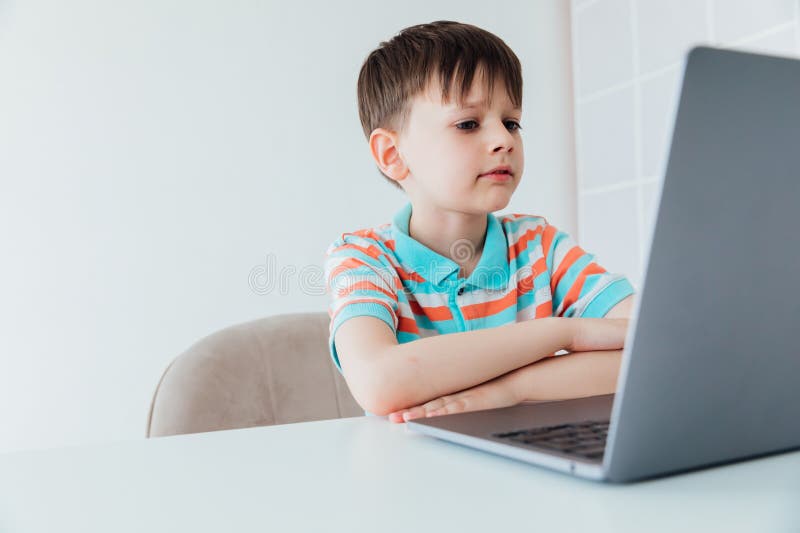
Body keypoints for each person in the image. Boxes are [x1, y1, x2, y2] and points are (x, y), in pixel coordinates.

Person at [324, 20, 635, 424]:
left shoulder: (540, 247)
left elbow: (651, 349)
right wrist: (565, 334)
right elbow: (380, 381)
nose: (504, 139)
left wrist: (511, 390)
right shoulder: (363, 258)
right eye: (468, 123)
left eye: (511, 122)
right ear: (392, 154)